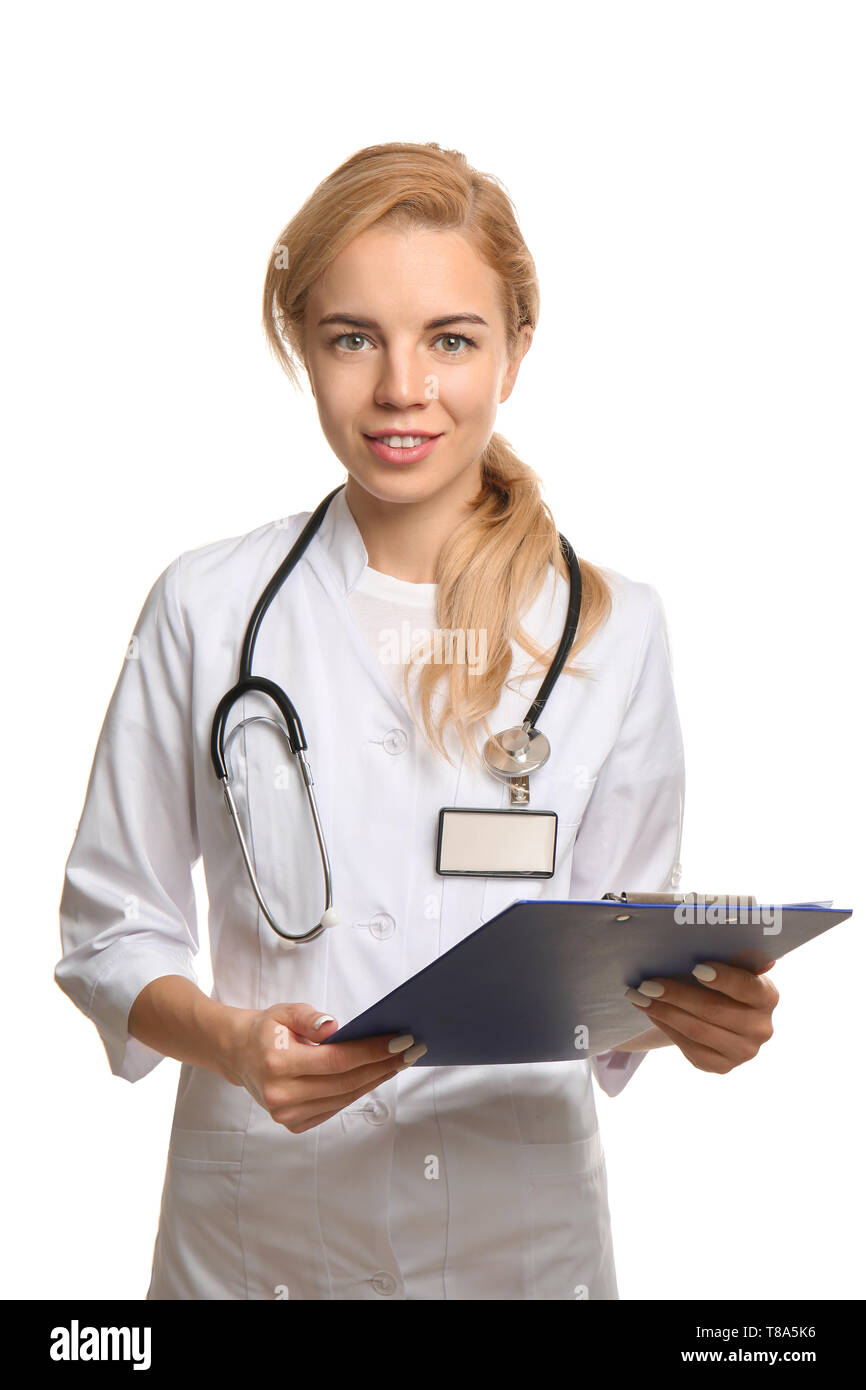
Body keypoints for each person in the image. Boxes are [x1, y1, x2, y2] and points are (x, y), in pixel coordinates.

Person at [55, 141, 778, 1301]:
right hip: (262, 1241)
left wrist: (697, 1018)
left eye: (450, 337)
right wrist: (235, 1044)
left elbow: (614, 967)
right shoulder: (205, 607)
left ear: (515, 352)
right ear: (303, 347)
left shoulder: (612, 625)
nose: (402, 388)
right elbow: (108, 935)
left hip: (518, 1241)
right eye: (353, 337)